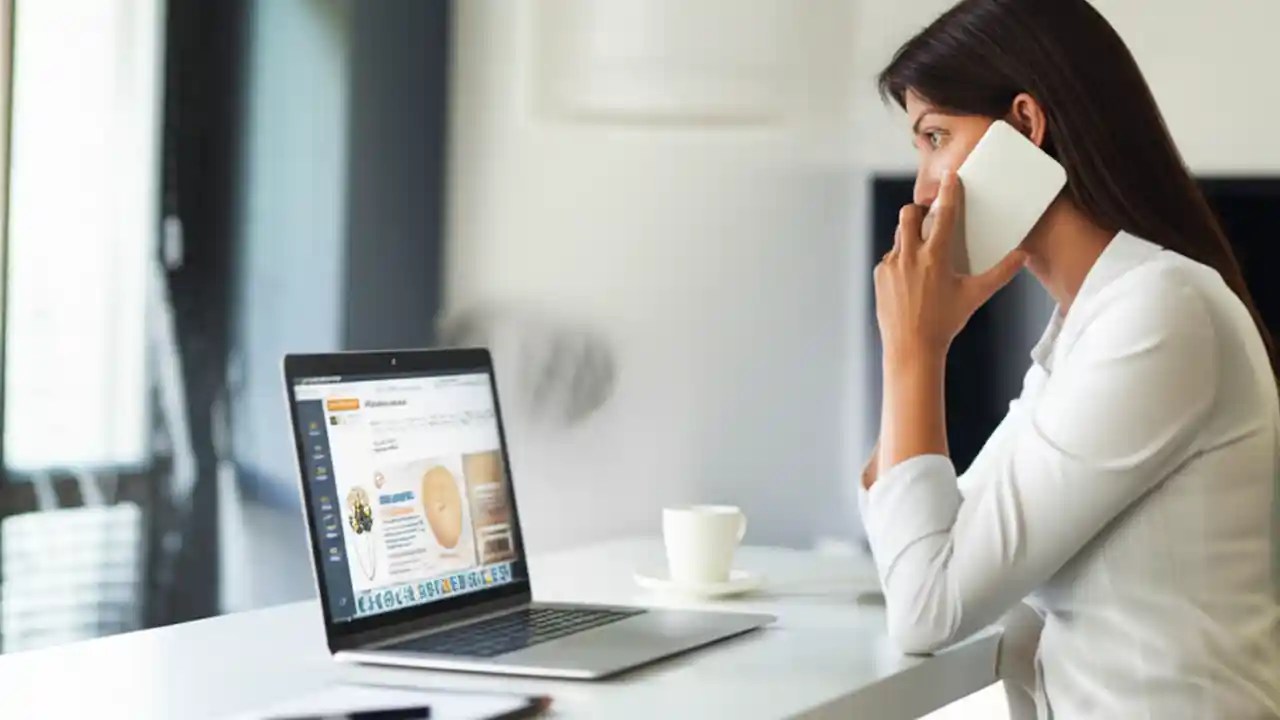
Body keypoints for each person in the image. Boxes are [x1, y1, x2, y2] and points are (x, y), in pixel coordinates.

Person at [857, 0, 1280, 717]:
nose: (924, 188)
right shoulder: (1090, 327)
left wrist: (914, 351)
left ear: (1026, 124)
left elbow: (927, 604)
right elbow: (926, 549)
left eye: (936, 137)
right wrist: (919, 350)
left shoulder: (1159, 314)